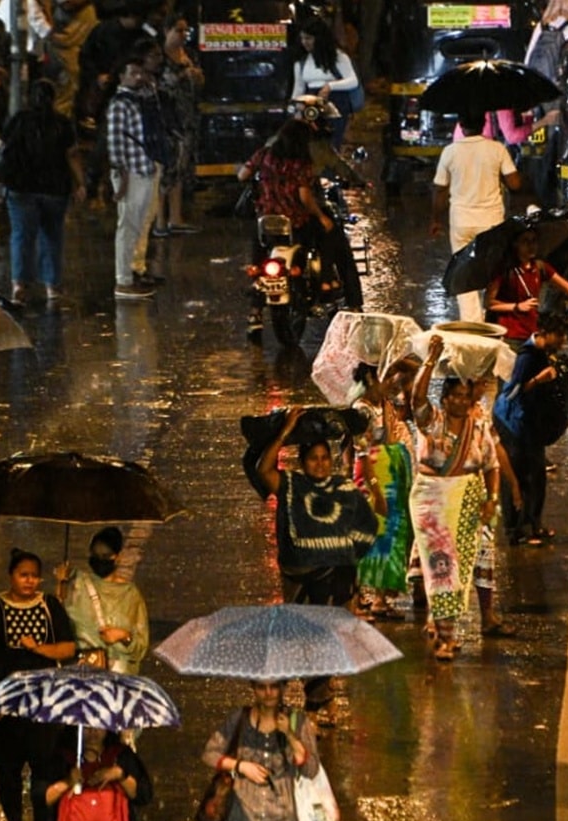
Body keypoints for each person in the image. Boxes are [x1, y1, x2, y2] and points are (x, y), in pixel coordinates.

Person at [253, 406, 378, 711]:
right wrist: (284, 433)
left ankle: (319, 701)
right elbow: (263, 470)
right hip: (299, 574)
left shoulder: (340, 488)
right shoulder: (290, 485)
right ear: (302, 461)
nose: (320, 464)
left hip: (333, 576)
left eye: (325, 458)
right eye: (313, 459)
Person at [0, 548, 77, 821]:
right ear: (11, 576)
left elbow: (67, 648)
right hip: (6, 704)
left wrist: (39, 648)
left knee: (45, 767)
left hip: (44, 703)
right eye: (23, 575)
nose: (29, 582)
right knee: (8, 768)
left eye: (34, 576)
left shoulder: (50, 606)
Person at [409, 336, 501, 661]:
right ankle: (445, 638)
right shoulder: (432, 422)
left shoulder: (478, 428)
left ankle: (443, 626)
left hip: (466, 501)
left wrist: (492, 499)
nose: (461, 402)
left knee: (458, 572)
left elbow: (492, 466)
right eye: (455, 396)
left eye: (465, 395)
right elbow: (416, 398)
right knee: (441, 567)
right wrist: (430, 359)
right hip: (433, 503)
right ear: (444, 400)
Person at [238, 118, 363, 333]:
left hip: (267, 222)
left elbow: (242, 175)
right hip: (297, 222)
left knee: (258, 260)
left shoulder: (264, 154)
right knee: (334, 239)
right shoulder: (301, 163)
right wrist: (320, 216)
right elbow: (305, 196)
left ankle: (255, 312)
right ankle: (341, 293)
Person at [201, 680, 321, 821]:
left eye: (274, 686)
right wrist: (240, 766)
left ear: (283, 687)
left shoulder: (297, 721)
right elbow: (210, 753)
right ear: (252, 688)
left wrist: (291, 735)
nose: (268, 693)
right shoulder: (240, 719)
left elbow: (311, 769)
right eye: (261, 687)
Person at [431, 108, 523, 322]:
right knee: (492, 273)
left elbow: (440, 190)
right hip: (491, 223)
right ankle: (493, 319)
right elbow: (515, 184)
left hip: (461, 223)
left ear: (461, 127)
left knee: (465, 277)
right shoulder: (497, 149)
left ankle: (472, 324)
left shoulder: (450, 152)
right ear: (484, 124)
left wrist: (435, 220)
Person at [0, 79, 85, 306]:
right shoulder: (62, 123)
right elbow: (72, 154)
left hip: (21, 187)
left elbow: (4, 149)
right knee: (52, 236)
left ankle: (20, 285)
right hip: (54, 188)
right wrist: (81, 183)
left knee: (21, 236)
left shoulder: (18, 121)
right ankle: (52, 286)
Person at [494, 314, 568, 548]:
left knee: (537, 476)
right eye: (559, 335)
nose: (563, 340)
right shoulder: (527, 358)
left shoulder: (546, 353)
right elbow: (512, 393)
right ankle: (515, 530)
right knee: (517, 476)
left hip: (532, 425)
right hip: (514, 425)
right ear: (545, 333)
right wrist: (537, 380)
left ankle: (535, 523)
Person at [353, 359, 419, 622]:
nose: (392, 382)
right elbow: (362, 452)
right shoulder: (361, 410)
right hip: (372, 476)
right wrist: (375, 490)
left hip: (390, 474)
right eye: (387, 375)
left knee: (390, 537)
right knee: (375, 536)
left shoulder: (385, 406)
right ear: (371, 378)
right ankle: (368, 597)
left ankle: (379, 596)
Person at [483, 225, 568, 342]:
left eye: (534, 241)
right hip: (510, 335)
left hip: (532, 333)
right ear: (515, 244)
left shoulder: (540, 267)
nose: (531, 246)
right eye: (525, 241)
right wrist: (517, 307)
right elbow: (489, 303)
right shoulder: (505, 270)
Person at [55, 527, 150, 676]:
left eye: (106, 555)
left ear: (117, 557)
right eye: (95, 554)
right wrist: (61, 584)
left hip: (119, 679)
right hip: (82, 673)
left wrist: (124, 636)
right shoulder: (76, 582)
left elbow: (141, 649)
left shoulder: (131, 595)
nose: (99, 559)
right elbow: (59, 624)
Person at [106, 57, 161, 300]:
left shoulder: (138, 99)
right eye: (132, 72)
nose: (138, 77)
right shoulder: (120, 104)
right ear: (121, 76)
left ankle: (131, 272)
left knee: (138, 224)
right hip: (132, 172)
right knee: (128, 226)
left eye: (140, 72)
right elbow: (116, 143)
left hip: (144, 168)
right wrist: (122, 177)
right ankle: (123, 280)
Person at [152, 11, 203, 237]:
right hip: (167, 118)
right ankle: (160, 220)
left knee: (181, 168)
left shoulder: (189, 54)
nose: (182, 35)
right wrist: (183, 74)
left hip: (188, 116)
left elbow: (201, 80)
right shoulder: (159, 57)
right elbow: (160, 85)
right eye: (178, 30)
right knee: (166, 169)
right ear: (167, 31)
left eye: (185, 31)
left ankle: (176, 217)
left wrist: (196, 75)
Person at [290, 17, 360, 150]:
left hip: (335, 102)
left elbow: (353, 81)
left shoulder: (339, 57)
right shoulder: (301, 62)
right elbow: (298, 87)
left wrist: (330, 86)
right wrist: (294, 109)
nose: (305, 42)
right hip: (310, 103)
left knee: (332, 143)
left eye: (309, 38)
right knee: (312, 143)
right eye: (303, 38)